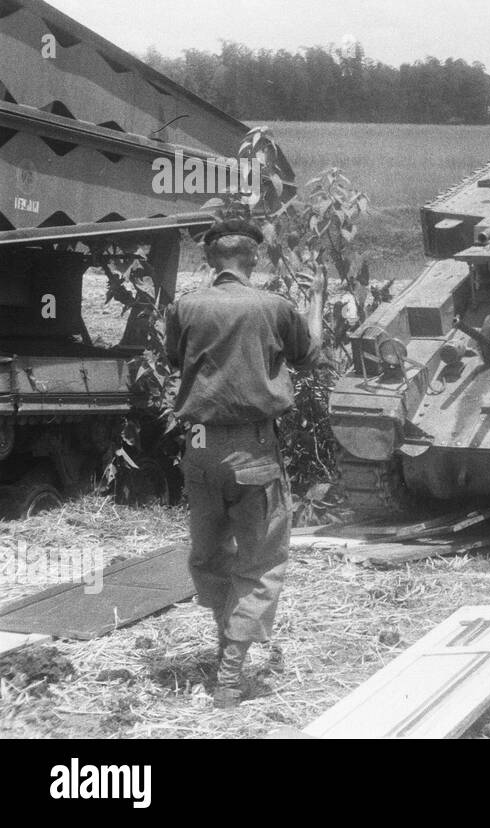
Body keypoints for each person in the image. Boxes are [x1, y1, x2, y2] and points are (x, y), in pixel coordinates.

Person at [164, 218, 321, 708]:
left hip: (200, 450)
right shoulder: (274, 307)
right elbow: (308, 357)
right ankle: (229, 678)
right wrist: (315, 303)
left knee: (209, 553)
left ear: (211, 261)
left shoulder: (185, 307)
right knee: (260, 559)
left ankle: (222, 640)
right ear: (253, 258)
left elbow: (176, 361)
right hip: (253, 450)